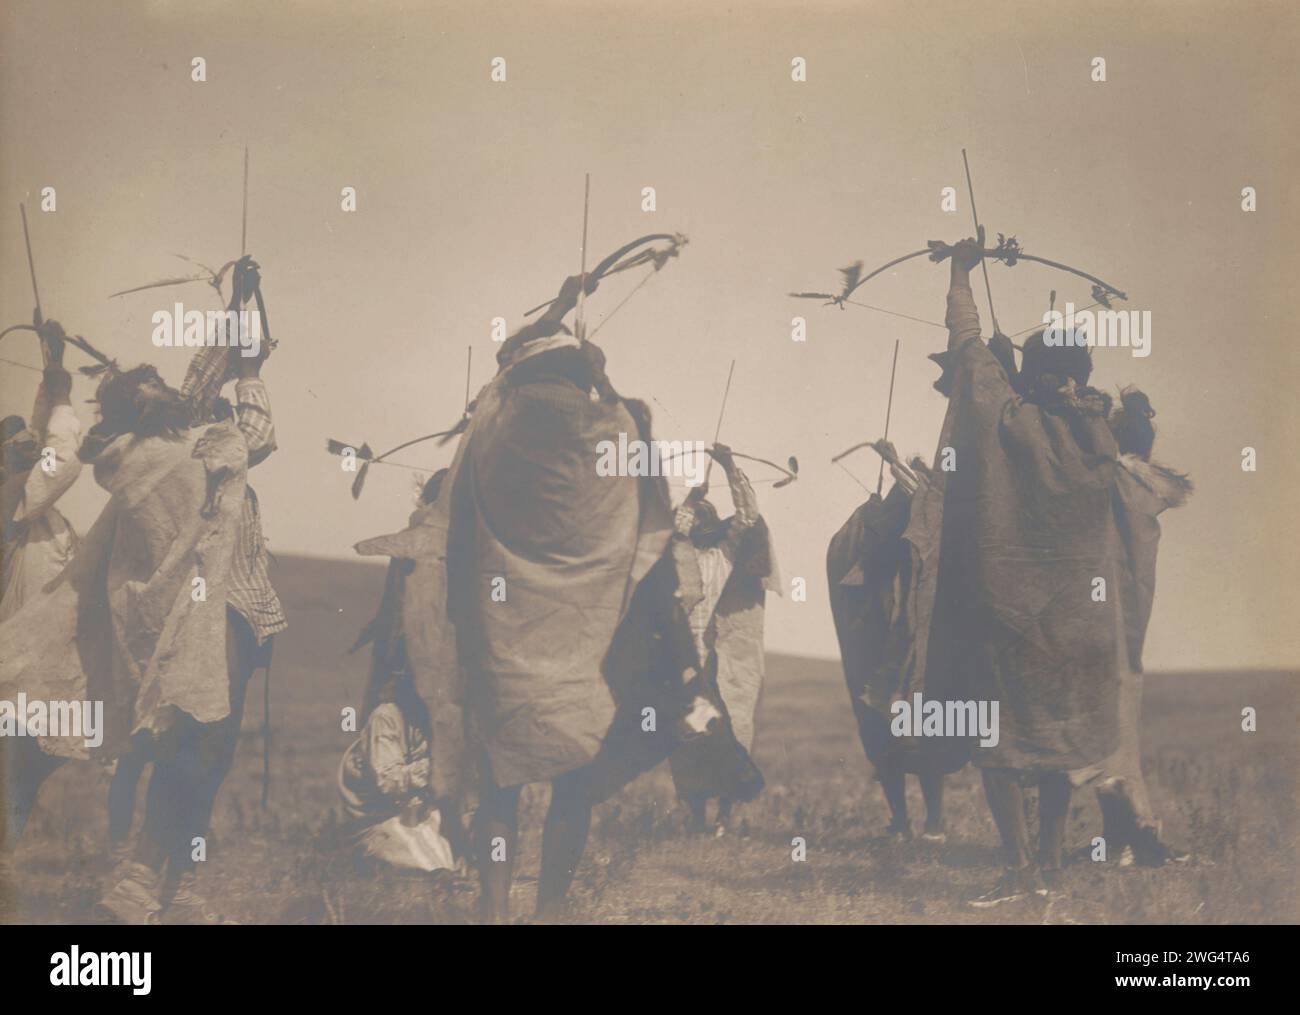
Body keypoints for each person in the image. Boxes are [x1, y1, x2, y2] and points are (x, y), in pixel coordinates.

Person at [929, 237, 1129, 907]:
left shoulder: (1008, 417)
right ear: (1083, 374)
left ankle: (1018, 870)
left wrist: (963, 271)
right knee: (1060, 745)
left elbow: (970, 350)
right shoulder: (1105, 437)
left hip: (1014, 621)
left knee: (1002, 743)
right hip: (1084, 629)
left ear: (1036, 374)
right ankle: (1049, 865)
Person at [97, 311, 286, 924]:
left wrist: (235, 317)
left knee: (202, 748)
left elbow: (192, 393)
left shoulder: (151, 446)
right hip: (215, 610)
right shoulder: (189, 452)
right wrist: (251, 368)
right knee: (199, 747)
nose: (175, 394)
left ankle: (175, 880)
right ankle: (146, 875)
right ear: (146, 413)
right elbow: (257, 429)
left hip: (214, 611)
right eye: (155, 390)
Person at [827, 444, 964, 841]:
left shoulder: (929, 531)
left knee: (925, 736)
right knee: (883, 734)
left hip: (916, 650)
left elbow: (920, 493)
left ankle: (933, 822)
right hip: (884, 652)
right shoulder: (880, 547)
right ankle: (902, 821)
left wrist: (893, 462)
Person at [0, 325, 84, 889]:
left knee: (26, 750)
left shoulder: (19, 495)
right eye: (11, 442)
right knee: (19, 751)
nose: (21, 442)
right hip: (16, 655)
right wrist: (62, 393)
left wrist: (52, 370)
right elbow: (60, 458)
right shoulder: (16, 497)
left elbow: (39, 453)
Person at [667, 443, 778, 834]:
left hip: (707, 661)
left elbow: (747, 514)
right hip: (680, 662)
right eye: (696, 515)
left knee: (721, 739)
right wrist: (693, 496)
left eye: (705, 515)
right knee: (685, 742)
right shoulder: (678, 552)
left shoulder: (721, 555)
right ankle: (698, 820)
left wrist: (729, 465)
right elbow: (676, 529)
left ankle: (724, 819)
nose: (699, 520)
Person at [338, 673, 456, 874]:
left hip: (416, 810)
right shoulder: (386, 717)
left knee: (451, 854)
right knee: (429, 865)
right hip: (377, 818)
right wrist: (436, 768)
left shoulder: (434, 718)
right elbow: (387, 782)